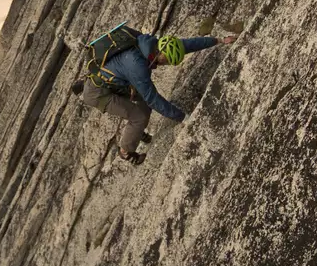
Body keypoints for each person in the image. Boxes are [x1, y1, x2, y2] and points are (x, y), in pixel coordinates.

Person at [81, 31, 238, 165]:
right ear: (160, 55)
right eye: (167, 61)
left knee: (143, 102)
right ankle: (126, 151)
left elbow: (187, 45)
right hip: (98, 92)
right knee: (138, 116)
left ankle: (136, 132)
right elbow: (153, 100)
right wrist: (184, 118)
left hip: (115, 81)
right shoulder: (138, 66)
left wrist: (219, 40)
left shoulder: (154, 44)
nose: (166, 64)